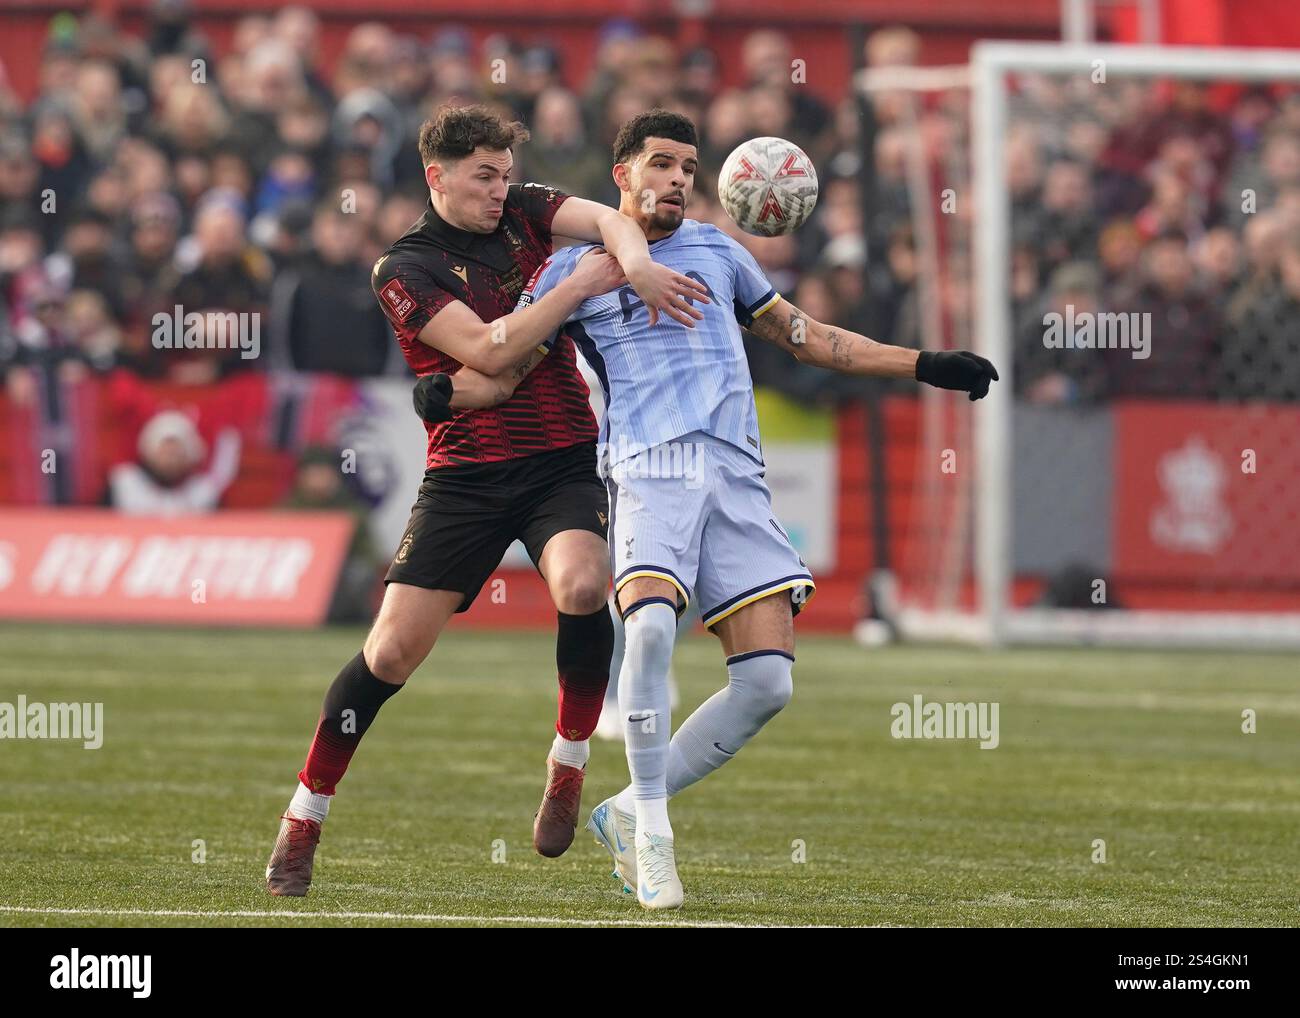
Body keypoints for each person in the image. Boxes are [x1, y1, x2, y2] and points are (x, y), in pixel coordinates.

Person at [417, 109, 998, 909]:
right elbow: (505, 369)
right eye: (663, 164)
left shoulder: (721, 252)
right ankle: (654, 834)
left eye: (690, 167)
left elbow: (804, 335)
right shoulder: (575, 272)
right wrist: (446, 392)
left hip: (736, 475)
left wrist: (924, 364)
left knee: (767, 685)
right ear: (623, 176)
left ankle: (624, 811)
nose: (679, 179)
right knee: (651, 626)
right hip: (649, 468)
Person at [265, 103, 709, 896]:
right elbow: (490, 351)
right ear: (437, 176)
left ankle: (568, 763)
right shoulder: (404, 268)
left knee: (580, 584)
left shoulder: (530, 209)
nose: (501, 191)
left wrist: (633, 264)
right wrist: (576, 287)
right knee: (391, 653)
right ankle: (306, 813)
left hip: (563, 458)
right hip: (465, 477)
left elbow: (612, 220)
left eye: (506, 174)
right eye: (484, 177)